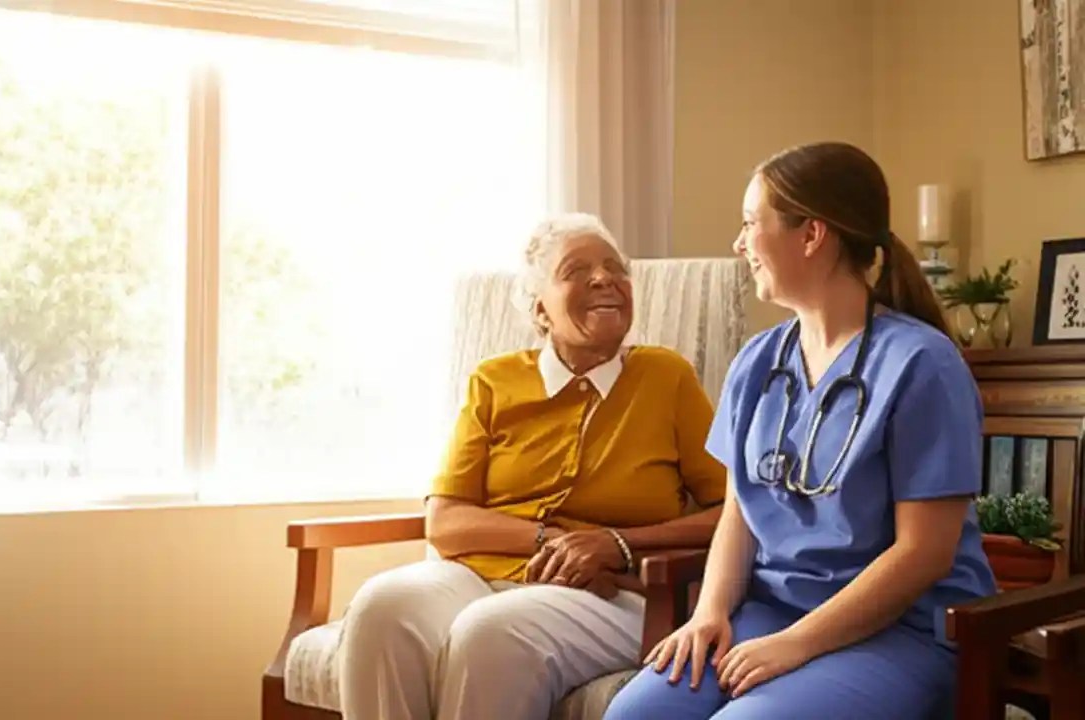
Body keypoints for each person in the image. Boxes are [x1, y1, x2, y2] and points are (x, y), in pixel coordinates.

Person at [602, 142, 998, 720]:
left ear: (811, 235)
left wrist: (798, 644)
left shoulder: (922, 364)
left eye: (749, 224)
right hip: (774, 611)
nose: (739, 245)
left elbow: (924, 554)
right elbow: (740, 513)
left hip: (902, 629)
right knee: (632, 716)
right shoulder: (757, 362)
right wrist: (710, 611)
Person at [335, 213, 729, 720]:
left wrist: (618, 543)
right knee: (380, 608)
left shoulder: (665, 376)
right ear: (539, 308)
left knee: (493, 632)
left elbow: (732, 512)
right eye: (575, 270)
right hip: (481, 575)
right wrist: (550, 542)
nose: (604, 278)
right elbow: (446, 522)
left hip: (618, 594)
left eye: (615, 268)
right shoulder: (494, 381)